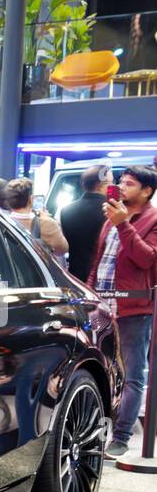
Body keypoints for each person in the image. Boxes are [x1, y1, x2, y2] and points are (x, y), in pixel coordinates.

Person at [87, 165, 157, 459]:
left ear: (146, 191)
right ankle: (95, 431)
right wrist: (88, 294)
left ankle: (122, 436)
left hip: (134, 308)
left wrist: (122, 224)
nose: (121, 187)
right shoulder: (112, 216)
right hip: (102, 305)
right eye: (120, 182)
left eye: (128, 184)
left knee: (132, 374)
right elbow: (99, 261)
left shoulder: (152, 220)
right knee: (100, 369)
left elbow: (146, 259)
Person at [60, 164, 112, 282]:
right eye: (111, 182)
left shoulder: (66, 210)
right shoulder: (113, 211)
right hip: (102, 276)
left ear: (84, 185)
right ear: (103, 185)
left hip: (75, 274)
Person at [3, 178, 67, 255]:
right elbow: (62, 250)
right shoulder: (47, 223)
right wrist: (50, 220)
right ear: (31, 199)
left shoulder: (0, 221)